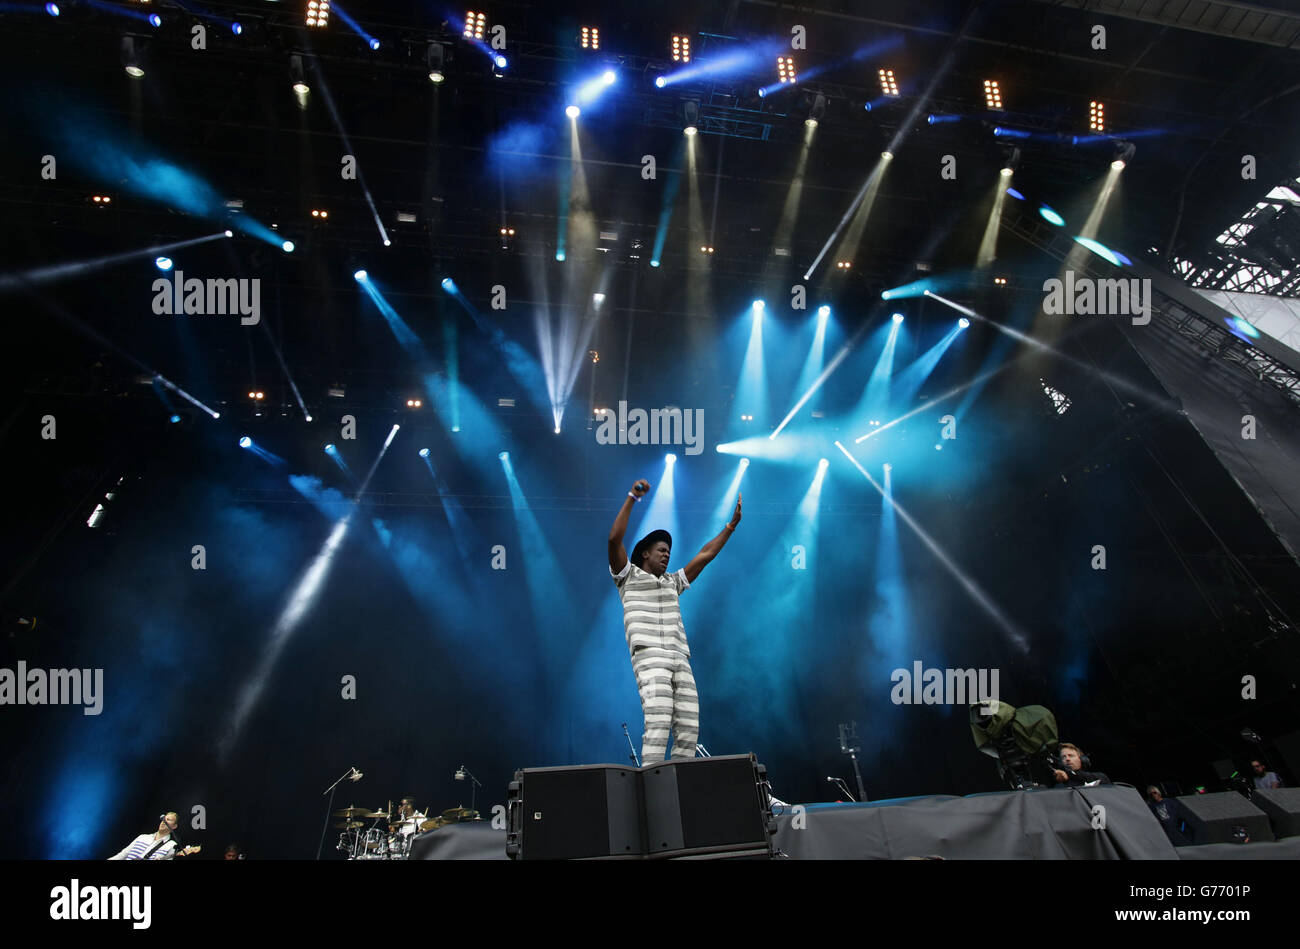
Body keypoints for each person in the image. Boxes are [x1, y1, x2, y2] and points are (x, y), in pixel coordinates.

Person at [608, 478, 741, 764]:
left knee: (689, 727)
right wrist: (632, 497)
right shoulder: (627, 577)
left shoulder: (672, 582)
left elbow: (705, 555)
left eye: (669, 552)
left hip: (680, 656)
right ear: (645, 552)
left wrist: (729, 528)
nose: (667, 555)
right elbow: (614, 540)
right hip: (650, 654)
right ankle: (652, 788)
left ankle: (680, 786)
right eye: (661, 550)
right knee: (658, 721)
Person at [108, 812, 193, 860]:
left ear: (174, 826)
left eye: (168, 820)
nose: (164, 821)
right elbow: (122, 855)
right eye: (163, 819)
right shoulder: (142, 837)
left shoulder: (172, 845)